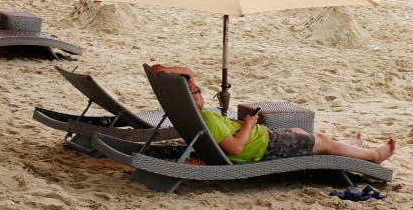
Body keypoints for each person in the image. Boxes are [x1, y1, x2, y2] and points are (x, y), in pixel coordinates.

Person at [149, 64, 395, 165]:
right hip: (262, 147)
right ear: (191, 98)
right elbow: (234, 148)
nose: (199, 90)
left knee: (299, 132)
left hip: (264, 140)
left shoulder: (188, 113)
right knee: (321, 139)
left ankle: (348, 149)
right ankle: (373, 156)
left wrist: (167, 70)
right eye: (196, 91)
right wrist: (248, 122)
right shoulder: (209, 120)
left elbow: (189, 74)